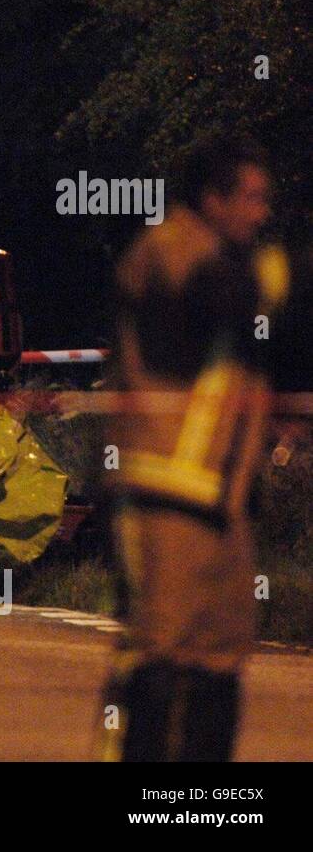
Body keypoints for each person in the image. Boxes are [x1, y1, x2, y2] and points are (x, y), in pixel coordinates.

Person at [96, 136, 285, 762]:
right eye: (252, 199)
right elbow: (217, 299)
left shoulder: (235, 263)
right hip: (161, 491)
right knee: (159, 652)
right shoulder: (170, 250)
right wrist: (284, 279)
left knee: (221, 656)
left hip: (220, 498)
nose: (262, 214)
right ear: (212, 198)